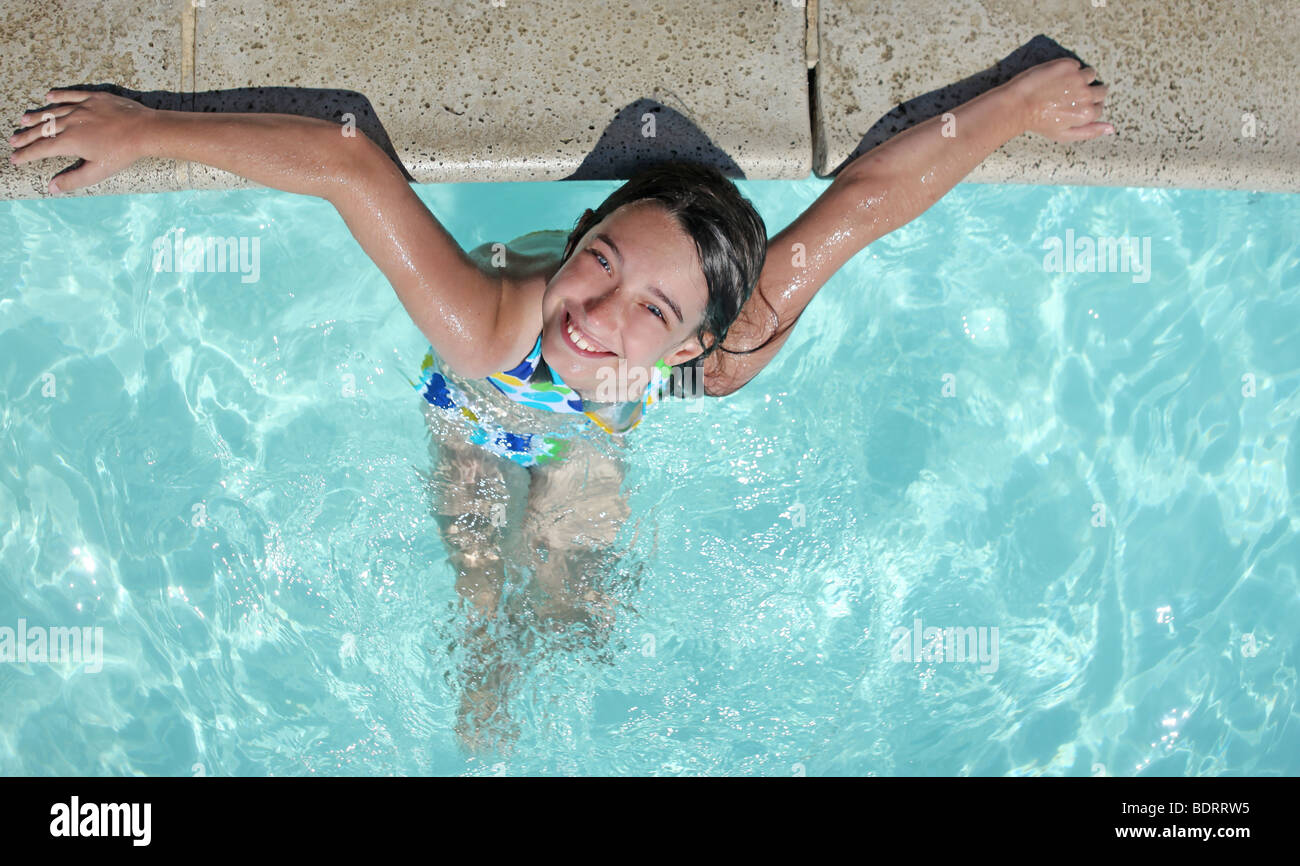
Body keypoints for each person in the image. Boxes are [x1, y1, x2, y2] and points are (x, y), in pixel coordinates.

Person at [10, 57, 1112, 751]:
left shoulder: (724, 351)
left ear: (693, 337)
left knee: (577, 573)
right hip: (476, 407)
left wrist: (1018, 102)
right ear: (582, 236)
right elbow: (349, 163)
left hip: (591, 431)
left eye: (651, 310)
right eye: (598, 260)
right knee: (476, 556)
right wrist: (146, 127)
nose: (593, 315)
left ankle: (533, 626)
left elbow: (865, 206)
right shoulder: (493, 322)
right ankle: (487, 647)